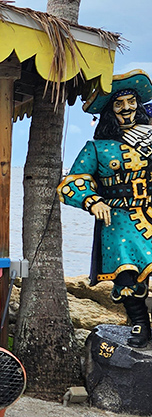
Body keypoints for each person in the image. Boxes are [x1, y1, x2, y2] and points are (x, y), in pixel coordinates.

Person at [58, 70, 152, 347]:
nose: (126, 109)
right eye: (119, 104)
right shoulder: (97, 148)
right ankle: (139, 325)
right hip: (117, 217)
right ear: (110, 111)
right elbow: (70, 184)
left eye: (131, 102)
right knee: (126, 273)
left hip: (147, 212)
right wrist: (93, 201)